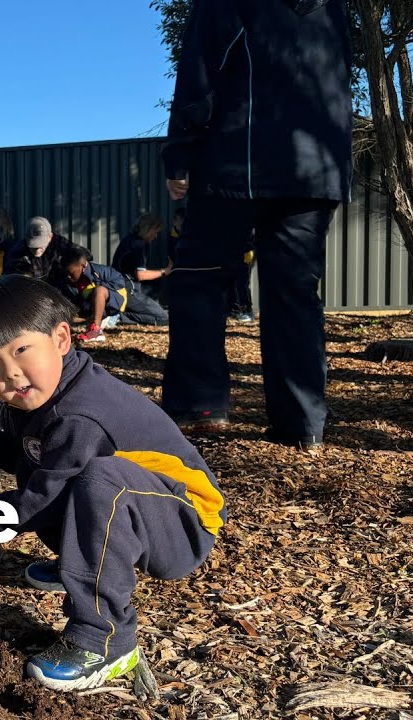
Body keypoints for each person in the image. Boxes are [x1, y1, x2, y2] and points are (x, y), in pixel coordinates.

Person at [0, 275, 225, 695]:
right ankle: (83, 565)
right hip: (140, 506)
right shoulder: (36, 395)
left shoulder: (80, 415)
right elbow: (29, 449)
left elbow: (46, 497)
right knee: (76, 476)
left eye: (21, 351)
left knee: (97, 482)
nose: (10, 373)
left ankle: (106, 638)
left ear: (62, 339)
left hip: (183, 521)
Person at [161, 0, 352, 450]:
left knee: (199, 279)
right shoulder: (334, 7)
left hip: (236, 160)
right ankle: (302, 424)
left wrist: (180, 153)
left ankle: (199, 405)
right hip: (316, 168)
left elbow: (201, 66)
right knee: (295, 294)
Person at [50, 244, 128, 344]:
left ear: (83, 266)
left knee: (99, 291)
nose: (68, 276)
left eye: (71, 273)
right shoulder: (67, 280)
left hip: (113, 305)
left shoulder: (100, 272)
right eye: (66, 273)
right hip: (87, 309)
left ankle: (96, 331)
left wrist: (94, 291)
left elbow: (120, 286)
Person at [109, 214, 171, 326]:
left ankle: (119, 314)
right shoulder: (138, 245)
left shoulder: (130, 239)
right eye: (155, 232)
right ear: (149, 229)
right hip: (127, 291)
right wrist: (165, 271)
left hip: (120, 287)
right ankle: (118, 317)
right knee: (163, 318)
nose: (156, 236)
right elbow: (141, 275)